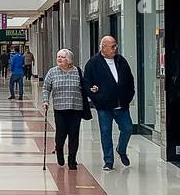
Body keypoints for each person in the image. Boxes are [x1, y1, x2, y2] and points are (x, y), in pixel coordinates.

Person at [82, 35, 135, 171]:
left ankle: (121, 149)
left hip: (121, 104)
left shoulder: (121, 61)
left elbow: (130, 79)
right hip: (104, 106)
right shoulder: (93, 63)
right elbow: (87, 83)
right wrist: (95, 95)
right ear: (103, 47)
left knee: (128, 128)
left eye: (115, 45)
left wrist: (129, 95)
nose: (114, 49)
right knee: (106, 132)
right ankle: (108, 161)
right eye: (112, 46)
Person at [41, 49, 88, 168]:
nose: (59, 59)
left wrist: (92, 89)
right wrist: (46, 101)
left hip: (76, 108)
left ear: (69, 60)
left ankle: (72, 159)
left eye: (62, 57)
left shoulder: (78, 71)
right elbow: (46, 88)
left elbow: (85, 86)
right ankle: (59, 149)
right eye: (58, 57)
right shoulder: (52, 72)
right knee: (61, 134)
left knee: (74, 134)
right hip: (60, 108)